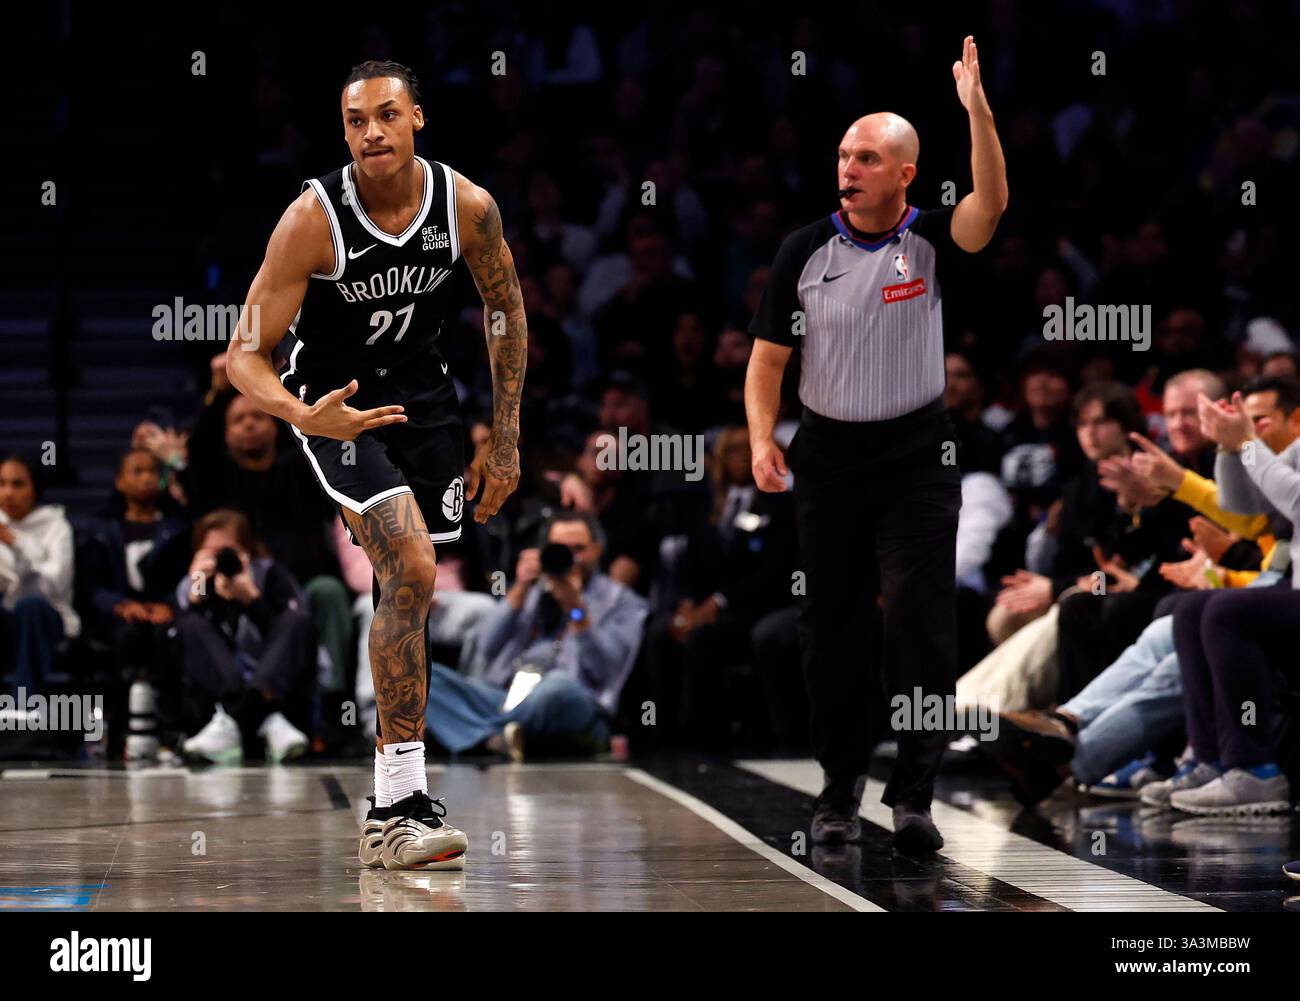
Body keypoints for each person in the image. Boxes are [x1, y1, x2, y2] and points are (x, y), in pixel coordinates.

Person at [225, 60, 527, 870]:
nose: (371, 133)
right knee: (413, 562)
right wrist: (299, 413)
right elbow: (243, 354)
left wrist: (504, 437)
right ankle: (395, 805)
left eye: (387, 115)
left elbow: (504, 307)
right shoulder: (312, 219)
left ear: (418, 118)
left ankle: (399, 795)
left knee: (412, 584)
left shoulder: (466, 206)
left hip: (422, 392)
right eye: (356, 121)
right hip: (334, 397)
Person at [744, 36, 1007, 854]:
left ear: (903, 174)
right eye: (842, 155)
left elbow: (989, 209)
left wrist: (978, 113)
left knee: (922, 625)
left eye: (866, 157)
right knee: (834, 629)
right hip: (828, 457)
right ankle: (835, 788)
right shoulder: (802, 250)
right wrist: (762, 436)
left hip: (917, 458)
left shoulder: (930, 239)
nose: (848, 168)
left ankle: (916, 791)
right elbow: (767, 362)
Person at [432, 511, 648, 760]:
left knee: (557, 687)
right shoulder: (533, 589)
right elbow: (486, 645)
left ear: (597, 550)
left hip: (577, 701)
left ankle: (480, 733)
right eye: (560, 548)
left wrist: (575, 609)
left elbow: (604, 671)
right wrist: (520, 589)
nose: (571, 558)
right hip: (510, 695)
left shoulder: (622, 601)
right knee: (428, 680)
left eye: (578, 549)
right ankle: (500, 736)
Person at [171, 510, 316, 765]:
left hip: (275, 689)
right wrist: (197, 596)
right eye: (212, 552)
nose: (221, 560)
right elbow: (184, 644)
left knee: (297, 620)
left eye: (229, 551)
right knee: (189, 623)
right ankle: (267, 719)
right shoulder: (195, 581)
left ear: (247, 550)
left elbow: (292, 639)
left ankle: (234, 718)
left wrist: (252, 600)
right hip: (213, 698)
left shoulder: (269, 575)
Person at [0, 453, 79, 698]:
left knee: (31, 606)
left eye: (17, 484)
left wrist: (17, 542)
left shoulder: (56, 526)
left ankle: (23, 702)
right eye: (1, 484)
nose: (8, 492)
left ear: (35, 488)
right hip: (6, 619)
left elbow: (54, 584)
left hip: (47, 617)